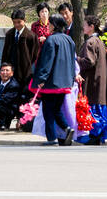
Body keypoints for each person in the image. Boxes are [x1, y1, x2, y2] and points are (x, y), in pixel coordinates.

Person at [30, 15, 77, 146]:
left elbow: (47, 61)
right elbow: (72, 62)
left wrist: (42, 78)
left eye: (50, 24)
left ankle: (52, 139)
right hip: (65, 82)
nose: (48, 26)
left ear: (55, 25)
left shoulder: (51, 40)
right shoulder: (69, 40)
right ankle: (67, 128)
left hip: (51, 83)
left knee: (48, 112)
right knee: (56, 109)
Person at [77, 14, 107, 144]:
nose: (83, 27)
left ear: (91, 27)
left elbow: (89, 61)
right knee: (99, 108)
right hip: (99, 80)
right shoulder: (99, 41)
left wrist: (77, 59)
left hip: (92, 81)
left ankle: (95, 135)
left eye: (85, 25)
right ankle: (99, 135)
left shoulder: (91, 42)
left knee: (93, 109)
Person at [1, 9, 38, 92]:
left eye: (19, 22)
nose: (16, 25)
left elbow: (34, 54)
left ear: (24, 20)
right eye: (14, 22)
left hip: (24, 71)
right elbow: (5, 52)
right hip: (10, 70)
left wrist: (26, 63)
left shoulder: (31, 36)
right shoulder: (9, 34)